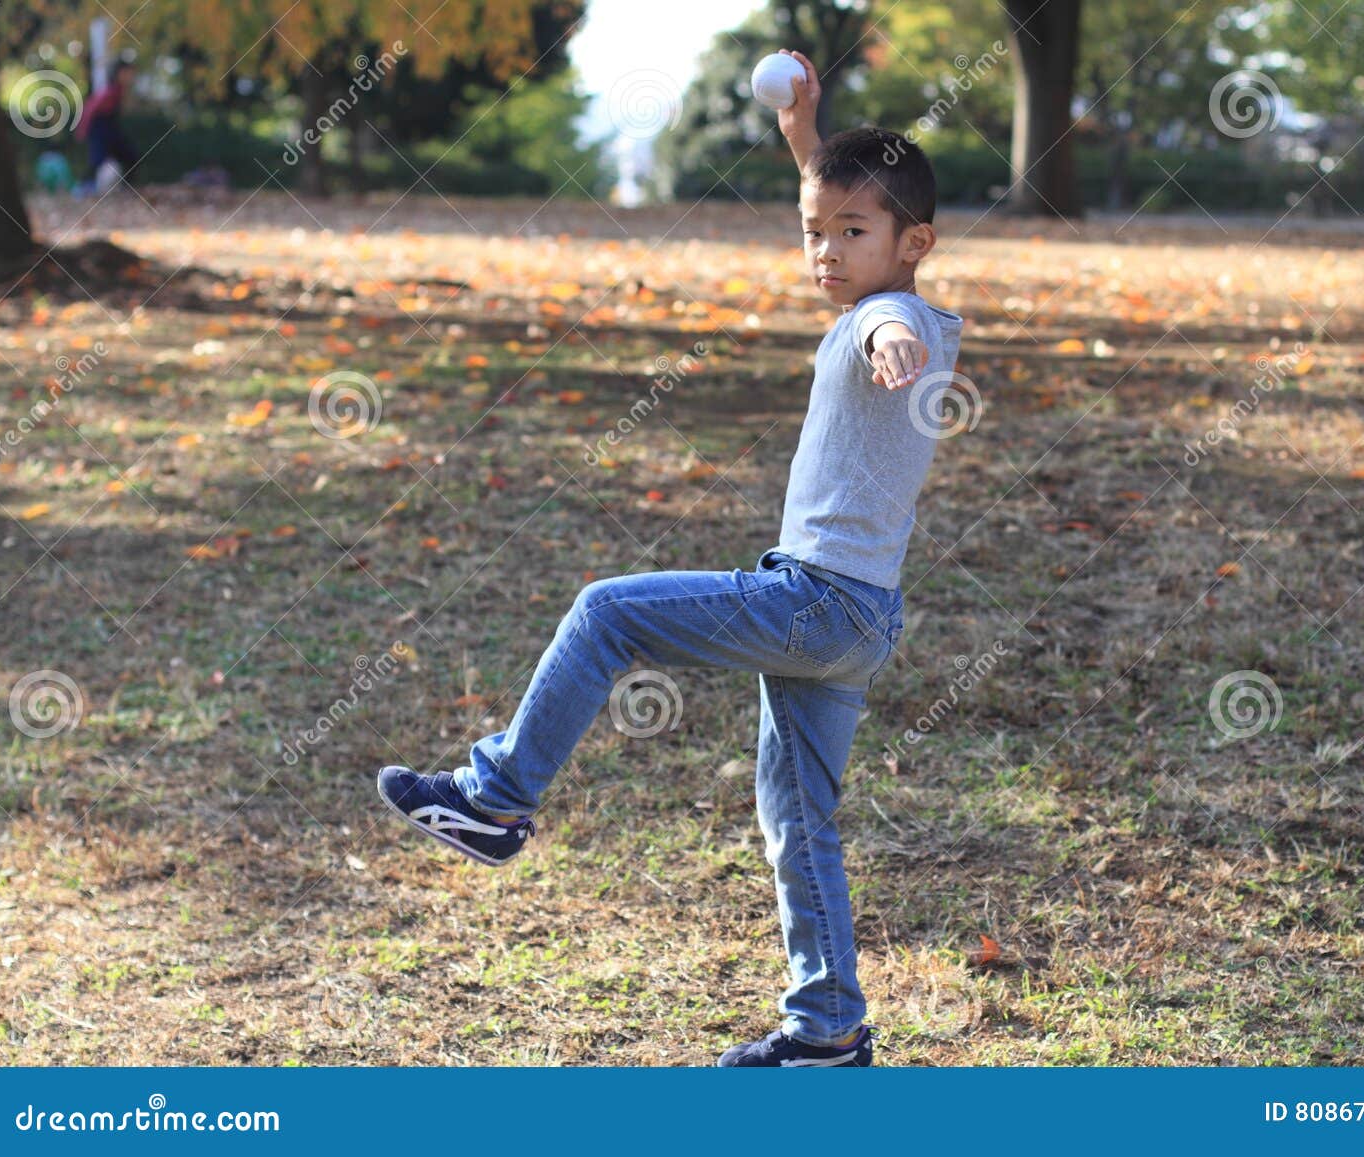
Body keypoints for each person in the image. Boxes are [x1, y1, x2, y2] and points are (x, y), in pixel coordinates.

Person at [375, 47, 964, 1068]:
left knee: (607, 611)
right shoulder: (879, 269)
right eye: (811, 234)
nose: (825, 253)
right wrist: (804, 131)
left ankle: (496, 801)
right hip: (857, 619)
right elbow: (844, 212)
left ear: (914, 243)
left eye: (849, 236)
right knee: (799, 819)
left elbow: (884, 315)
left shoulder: (898, 315)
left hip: (816, 602)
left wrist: (886, 343)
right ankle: (827, 1031)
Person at [75, 61, 139, 192]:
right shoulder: (110, 91)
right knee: (98, 161)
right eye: (126, 73)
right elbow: (91, 109)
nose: (129, 77)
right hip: (100, 128)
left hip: (109, 128)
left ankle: (124, 187)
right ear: (118, 74)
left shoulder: (120, 91)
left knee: (130, 156)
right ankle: (84, 187)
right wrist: (83, 130)